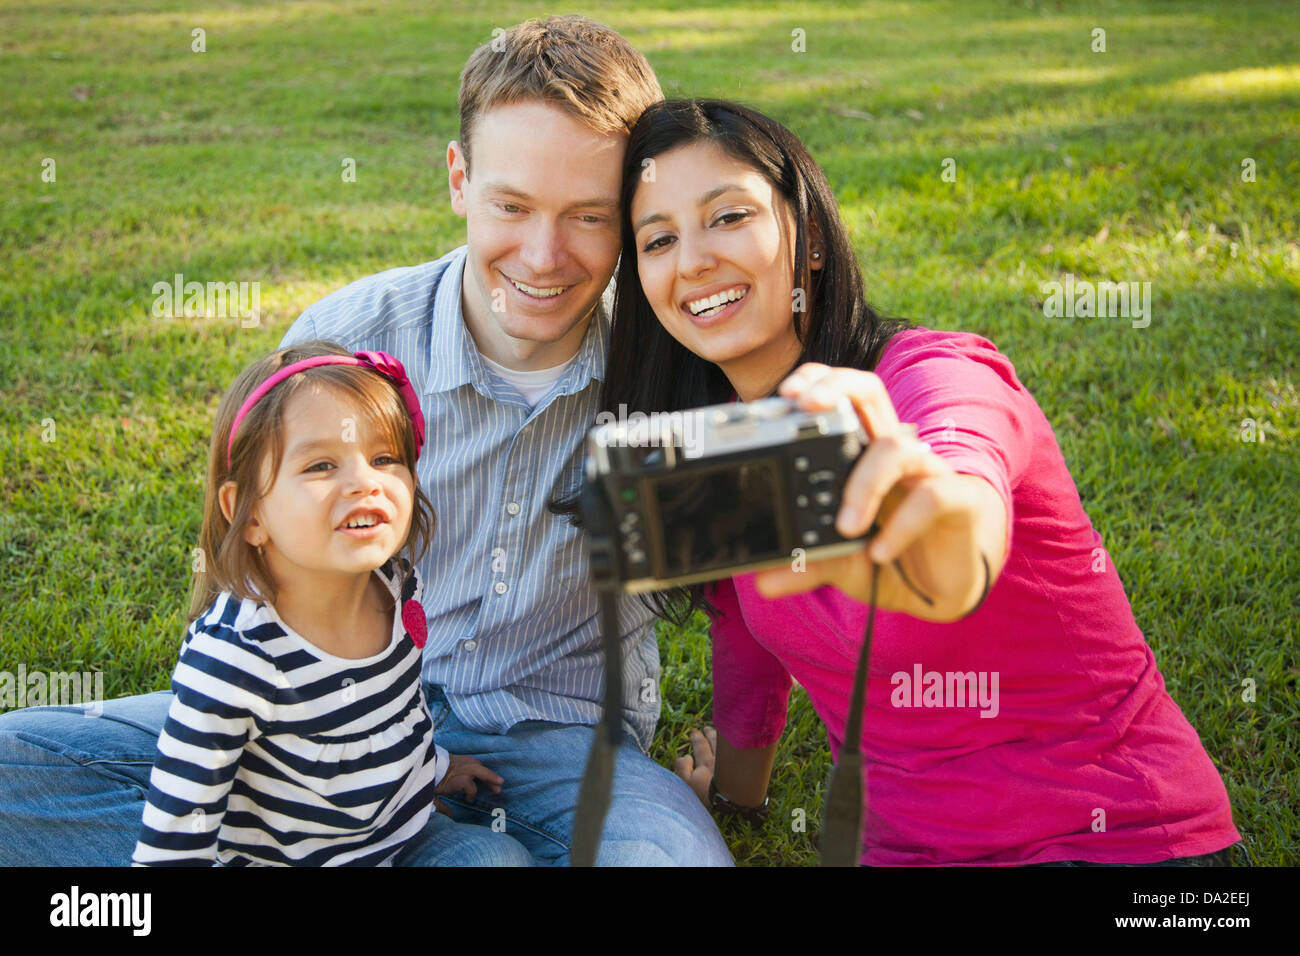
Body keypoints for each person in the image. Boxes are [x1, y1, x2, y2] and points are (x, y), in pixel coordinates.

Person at [0, 16, 732, 867]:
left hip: (556, 741)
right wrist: (235, 738)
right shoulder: (347, 338)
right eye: (512, 205)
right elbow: (244, 550)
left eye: (589, 217)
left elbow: (762, 588)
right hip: (313, 717)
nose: (543, 255)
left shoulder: (673, 370)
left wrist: (739, 775)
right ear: (459, 179)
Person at [601, 98, 1245, 865]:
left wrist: (930, 521)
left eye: (729, 216)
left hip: (1119, 841)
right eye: (659, 239)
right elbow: (748, 640)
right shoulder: (723, 452)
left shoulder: (937, 377)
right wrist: (739, 799)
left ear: (807, 236)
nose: (693, 260)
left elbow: (961, 494)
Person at [132, 341, 529, 866]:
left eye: (385, 457)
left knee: (497, 860)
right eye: (321, 465)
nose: (364, 481)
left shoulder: (394, 586)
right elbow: (174, 843)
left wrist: (434, 767)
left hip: (404, 837)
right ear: (248, 514)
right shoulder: (233, 660)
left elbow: (395, 709)